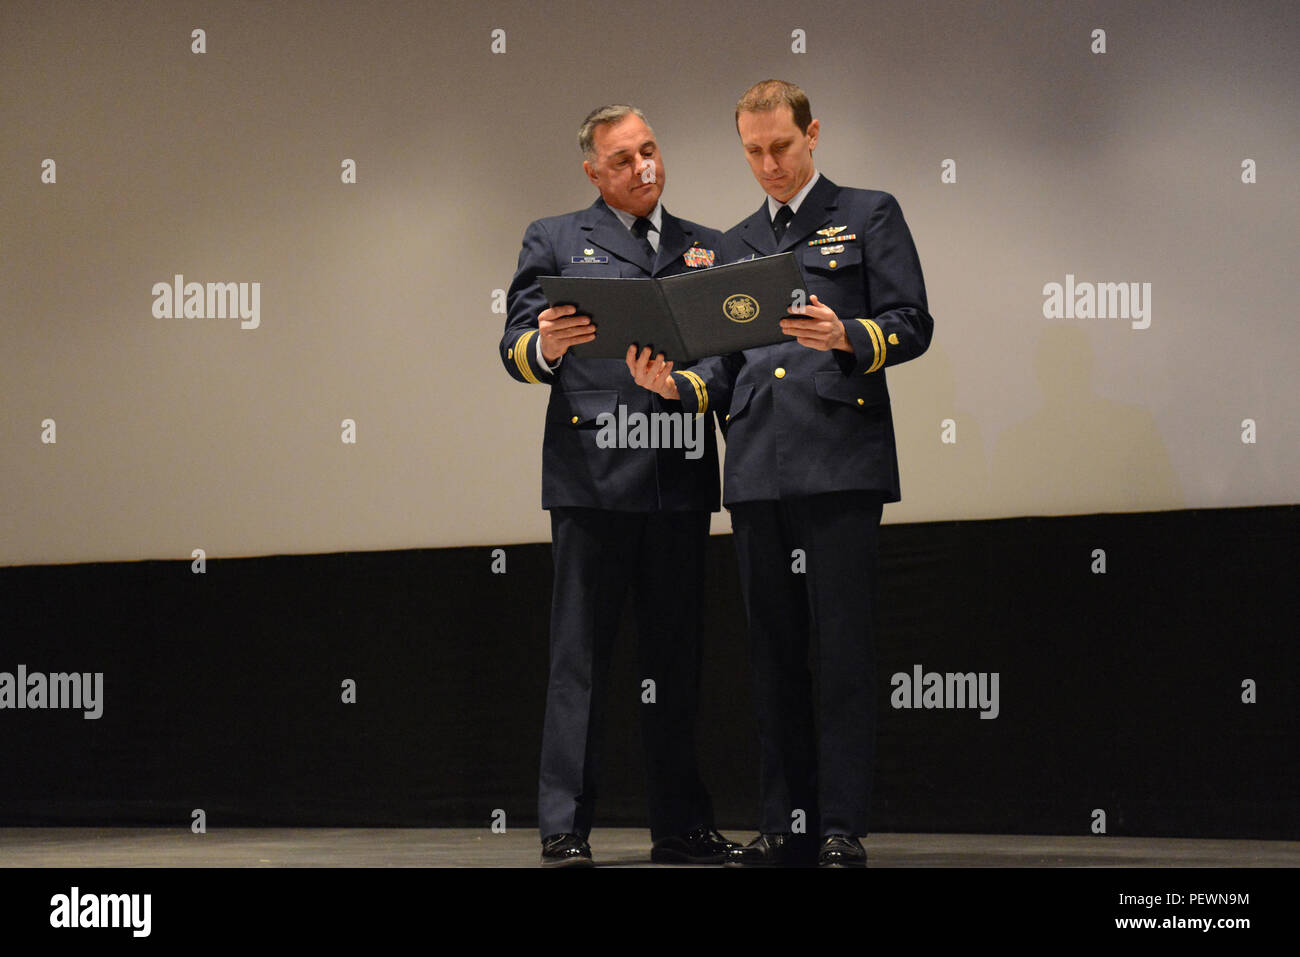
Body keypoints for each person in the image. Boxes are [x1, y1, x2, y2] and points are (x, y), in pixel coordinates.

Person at [628, 80, 934, 866]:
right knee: (771, 658)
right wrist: (680, 388)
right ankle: (786, 822)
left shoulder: (868, 214)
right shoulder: (731, 246)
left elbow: (913, 324)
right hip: (758, 472)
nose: (768, 163)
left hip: (839, 465)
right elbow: (727, 374)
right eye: (754, 151)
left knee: (841, 654)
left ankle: (840, 826)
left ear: (813, 135)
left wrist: (848, 332)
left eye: (782, 147)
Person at [502, 104, 734, 867]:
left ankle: (682, 825)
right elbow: (514, 346)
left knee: (677, 663)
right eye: (625, 158)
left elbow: (727, 360)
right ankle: (564, 826)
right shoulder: (557, 238)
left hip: (677, 481)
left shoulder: (706, 245)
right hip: (593, 481)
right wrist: (543, 344)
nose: (645, 167)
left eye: (650, 150)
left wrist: (688, 387)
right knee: (582, 663)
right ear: (593, 171)